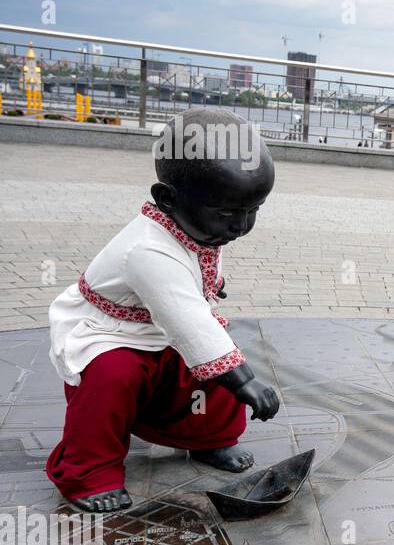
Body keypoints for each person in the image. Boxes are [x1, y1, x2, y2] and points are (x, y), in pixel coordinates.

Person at [45, 107, 281, 512]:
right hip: (112, 334)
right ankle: (91, 473)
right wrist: (244, 382)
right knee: (116, 376)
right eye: (227, 213)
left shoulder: (195, 223)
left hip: (160, 328)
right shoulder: (146, 250)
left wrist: (212, 283)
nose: (240, 226)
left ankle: (208, 439)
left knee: (211, 369)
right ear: (167, 199)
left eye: (251, 211)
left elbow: (191, 283)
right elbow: (189, 323)